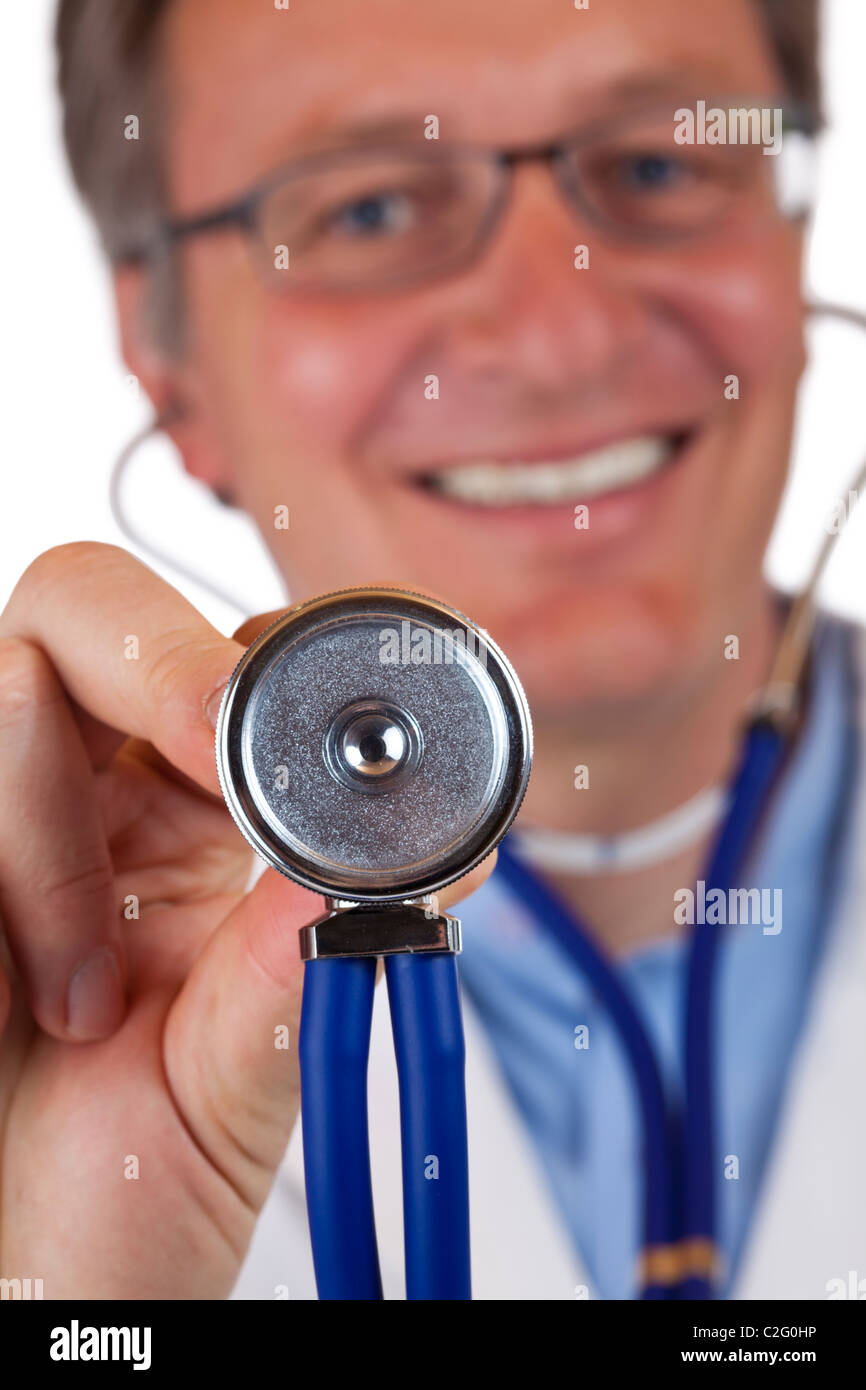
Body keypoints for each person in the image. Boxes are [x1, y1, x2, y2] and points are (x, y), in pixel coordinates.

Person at [0, 0, 858, 1300]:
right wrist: (70, 1301)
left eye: (657, 165)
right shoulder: (87, 995)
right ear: (163, 367)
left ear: (792, 241)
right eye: (370, 210)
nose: (560, 337)